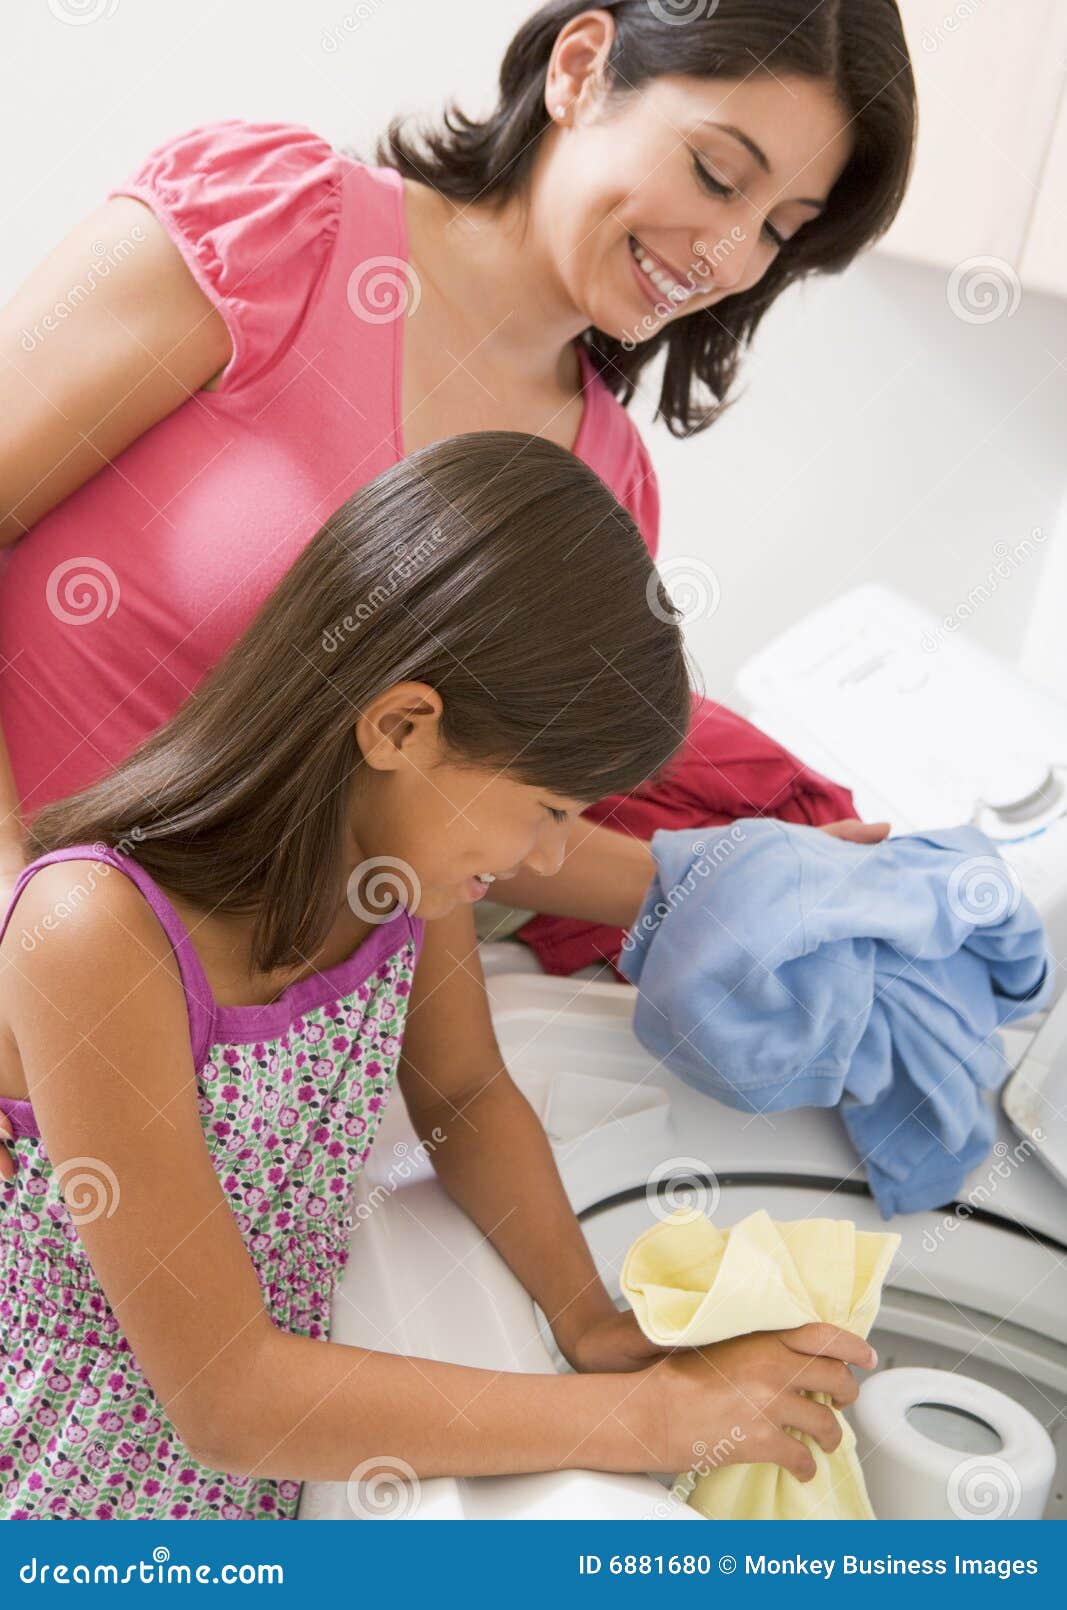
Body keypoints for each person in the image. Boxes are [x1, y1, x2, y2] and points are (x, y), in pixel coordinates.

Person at [0, 433, 874, 1520]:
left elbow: (460, 1092)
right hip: (66, 1500)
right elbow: (225, 1395)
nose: (551, 860)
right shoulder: (92, 931)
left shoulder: (398, 882)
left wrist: (584, 1314)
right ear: (402, 727)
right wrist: (653, 1418)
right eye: (548, 808)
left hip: (256, 1485)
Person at [0, 0, 912, 929]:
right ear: (581, 70)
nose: (730, 260)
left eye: (780, 231)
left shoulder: (601, 491)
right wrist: (12, 896)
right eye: (715, 174)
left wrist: (737, 877)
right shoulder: (272, 231)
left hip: (245, 1029)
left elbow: (464, 816)